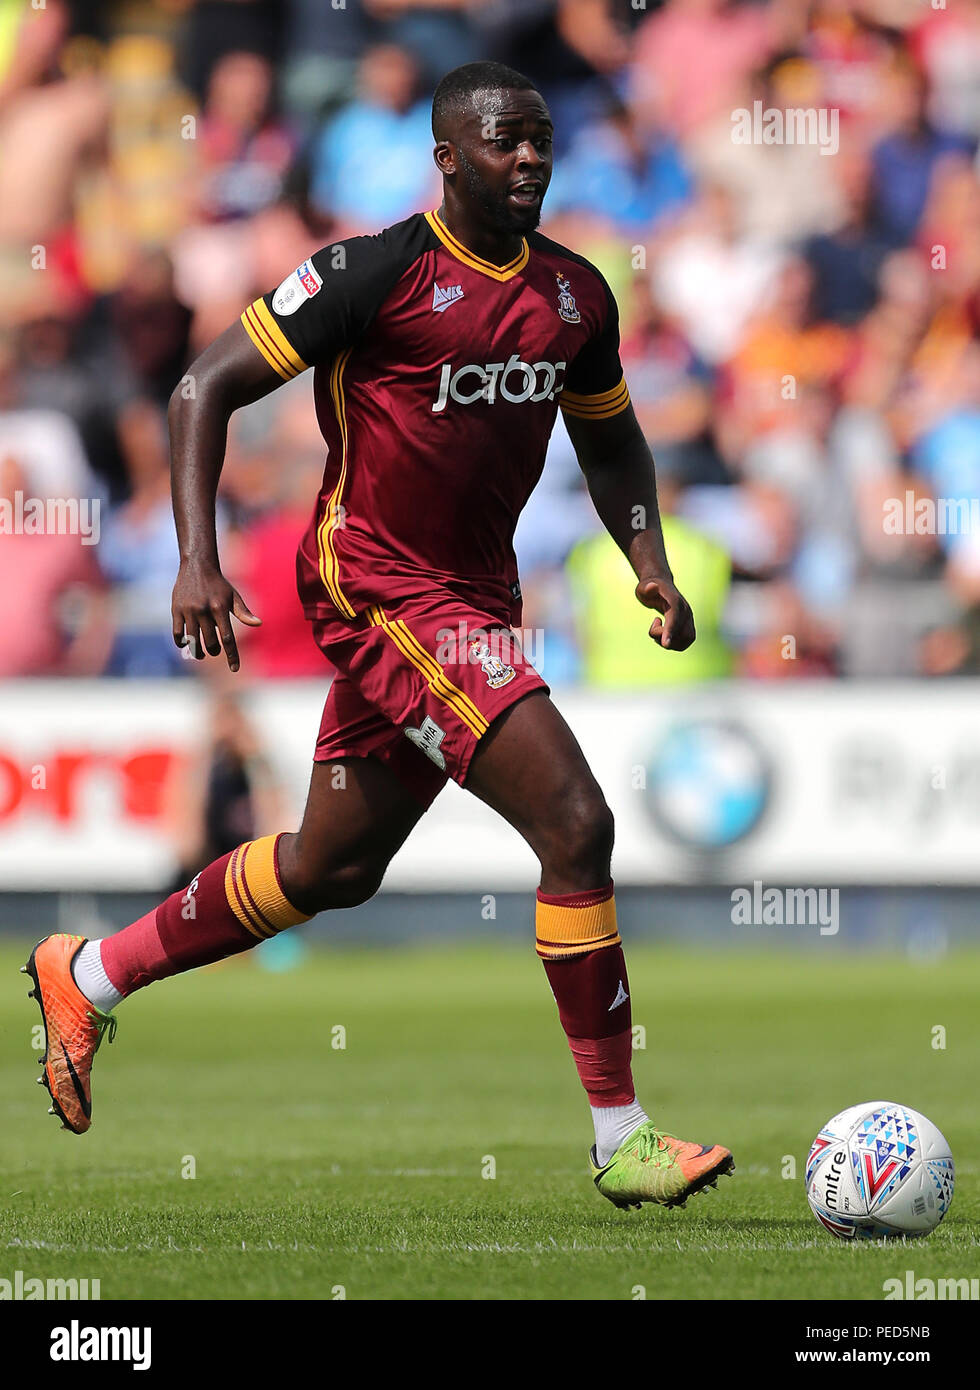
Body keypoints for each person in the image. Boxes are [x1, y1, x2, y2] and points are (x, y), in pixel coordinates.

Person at [25, 61, 734, 1214]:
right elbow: (203, 387)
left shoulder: (575, 294)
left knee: (330, 866)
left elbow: (610, 441)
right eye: (505, 141)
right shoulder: (371, 272)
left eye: (541, 139)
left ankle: (88, 973)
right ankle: (622, 1138)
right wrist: (197, 557)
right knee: (575, 817)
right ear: (447, 156)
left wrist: (646, 559)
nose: (530, 159)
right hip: (376, 587)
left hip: (470, 598)